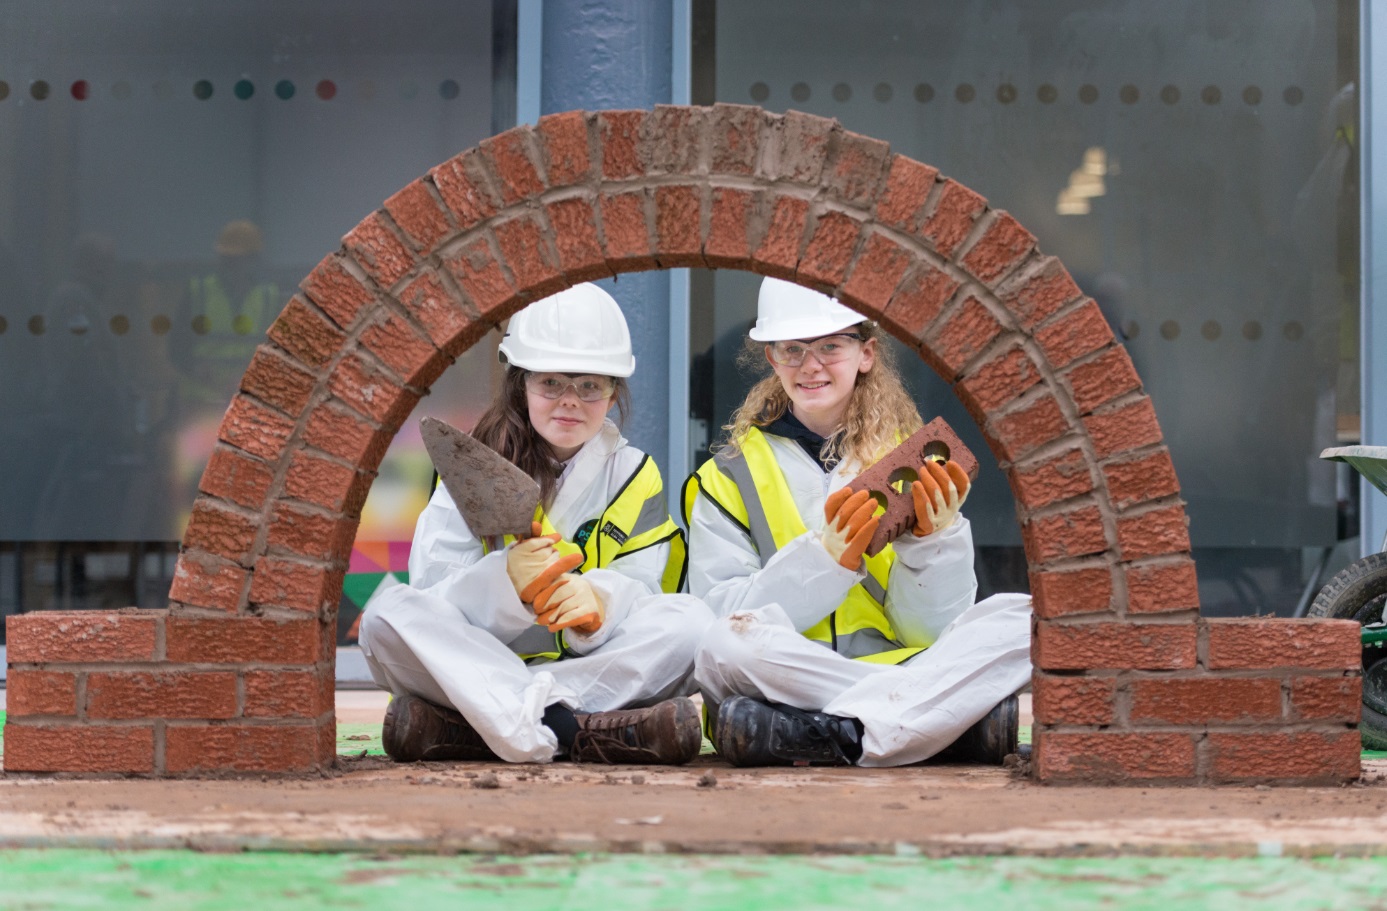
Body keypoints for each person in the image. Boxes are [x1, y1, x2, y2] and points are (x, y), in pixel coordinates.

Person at [684, 277, 1033, 768]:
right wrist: (825, 561)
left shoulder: (913, 459)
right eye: (792, 349)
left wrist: (933, 542)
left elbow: (931, 633)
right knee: (723, 645)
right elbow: (723, 615)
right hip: (783, 671)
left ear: (866, 353)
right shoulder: (726, 475)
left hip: (885, 665)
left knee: (1026, 619)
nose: (810, 365)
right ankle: (924, 720)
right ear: (772, 359)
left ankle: (831, 731)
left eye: (830, 346)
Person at [359, 283, 713, 766]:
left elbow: (651, 588)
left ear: (613, 393)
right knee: (385, 617)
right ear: (520, 383)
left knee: (694, 624)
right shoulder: (471, 461)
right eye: (551, 383)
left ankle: (489, 724)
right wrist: (503, 583)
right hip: (486, 658)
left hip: (569, 668)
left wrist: (601, 602)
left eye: (590, 385)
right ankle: (575, 729)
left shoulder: (634, 474)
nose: (570, 400)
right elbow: (433, 595)